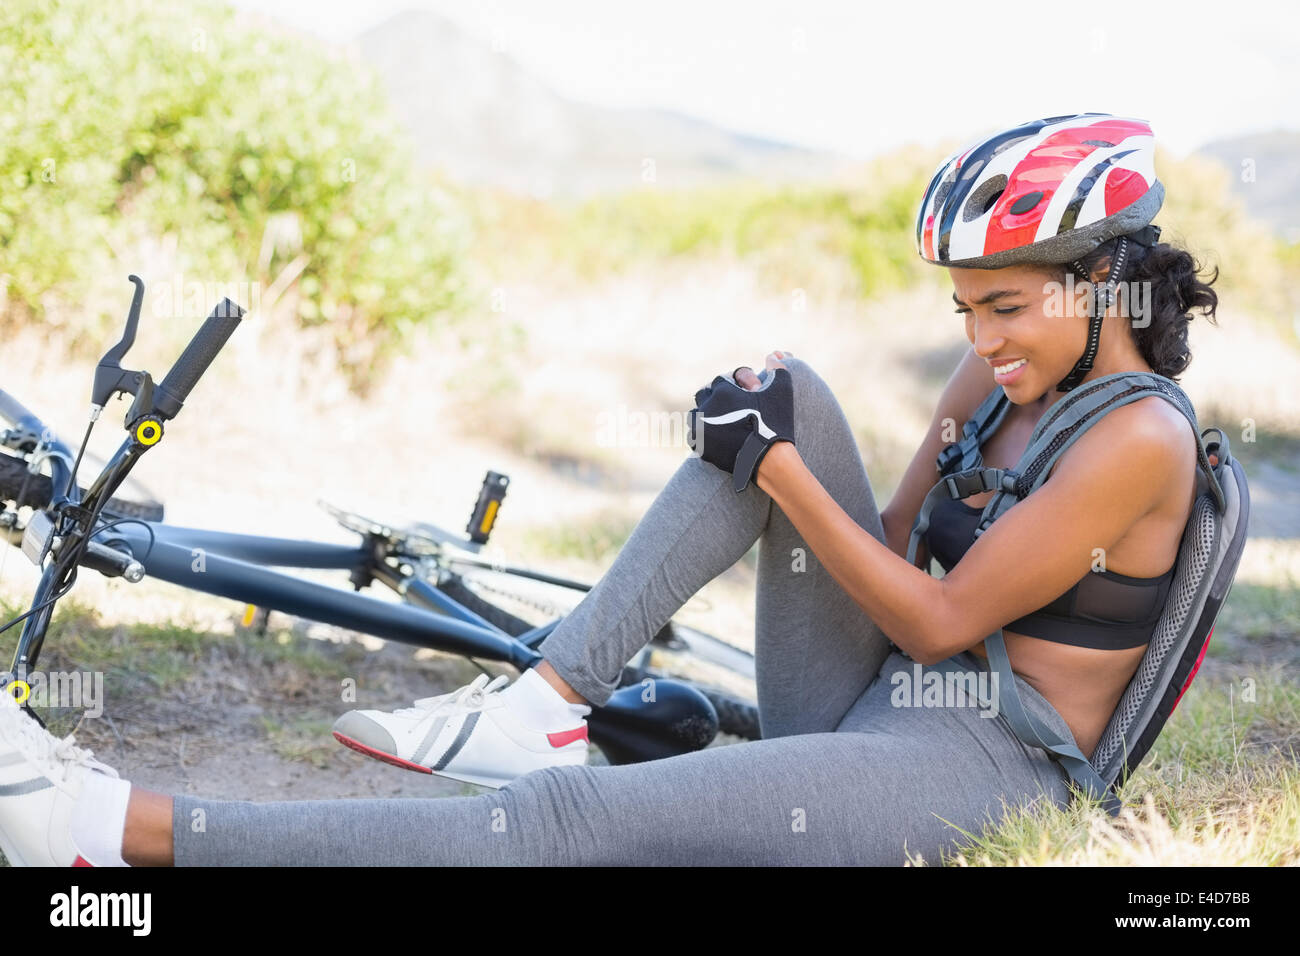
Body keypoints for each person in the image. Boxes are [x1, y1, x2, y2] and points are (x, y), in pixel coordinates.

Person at [0, 113, 1220, 867]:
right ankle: (551, 693)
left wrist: (777, 466)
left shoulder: (1139, 442)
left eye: (1004, 305)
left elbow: (939, 619)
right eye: (965, 307)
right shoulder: (1004, 365)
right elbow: (889, 539)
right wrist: (767, 433)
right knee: (781, 384)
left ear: (1107, 280)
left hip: (978, 766)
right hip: (871, 698)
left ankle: (114, 830)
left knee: (559, 831)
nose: (980, 333)